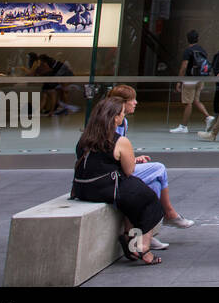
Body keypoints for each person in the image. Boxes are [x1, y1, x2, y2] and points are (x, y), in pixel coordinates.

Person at [70, 97, 163, 265]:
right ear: (115, 118)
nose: (123, 116)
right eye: (121, 113)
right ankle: (142, 247)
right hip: (106, 188)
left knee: (135, 194)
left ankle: (129, 238)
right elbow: (129, 171)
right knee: (150, 199)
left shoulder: (84, 138)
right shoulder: (119, 141)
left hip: (83, 188)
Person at [109, 85, 194, 249]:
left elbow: (119, 152)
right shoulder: (110, 123)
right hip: (113, 174)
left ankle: (147, 233)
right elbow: (109, 155)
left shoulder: (123, 122)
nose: (136, 103)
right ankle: (169, 213)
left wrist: (133, 159)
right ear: (121, 103)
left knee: (154, 184)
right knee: (159, 169)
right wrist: (131, 161)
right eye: (132, 100)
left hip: (122, 167)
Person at [170, 30, 212, 133]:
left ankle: (183, 126)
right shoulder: (202, 50)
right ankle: (208, 117)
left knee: (188, 103)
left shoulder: (188, 51)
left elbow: (184, 66)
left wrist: (179, 81)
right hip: (200, 79)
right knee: (196, 100)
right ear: (197, 38)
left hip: (190, 79)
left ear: (188, 39)